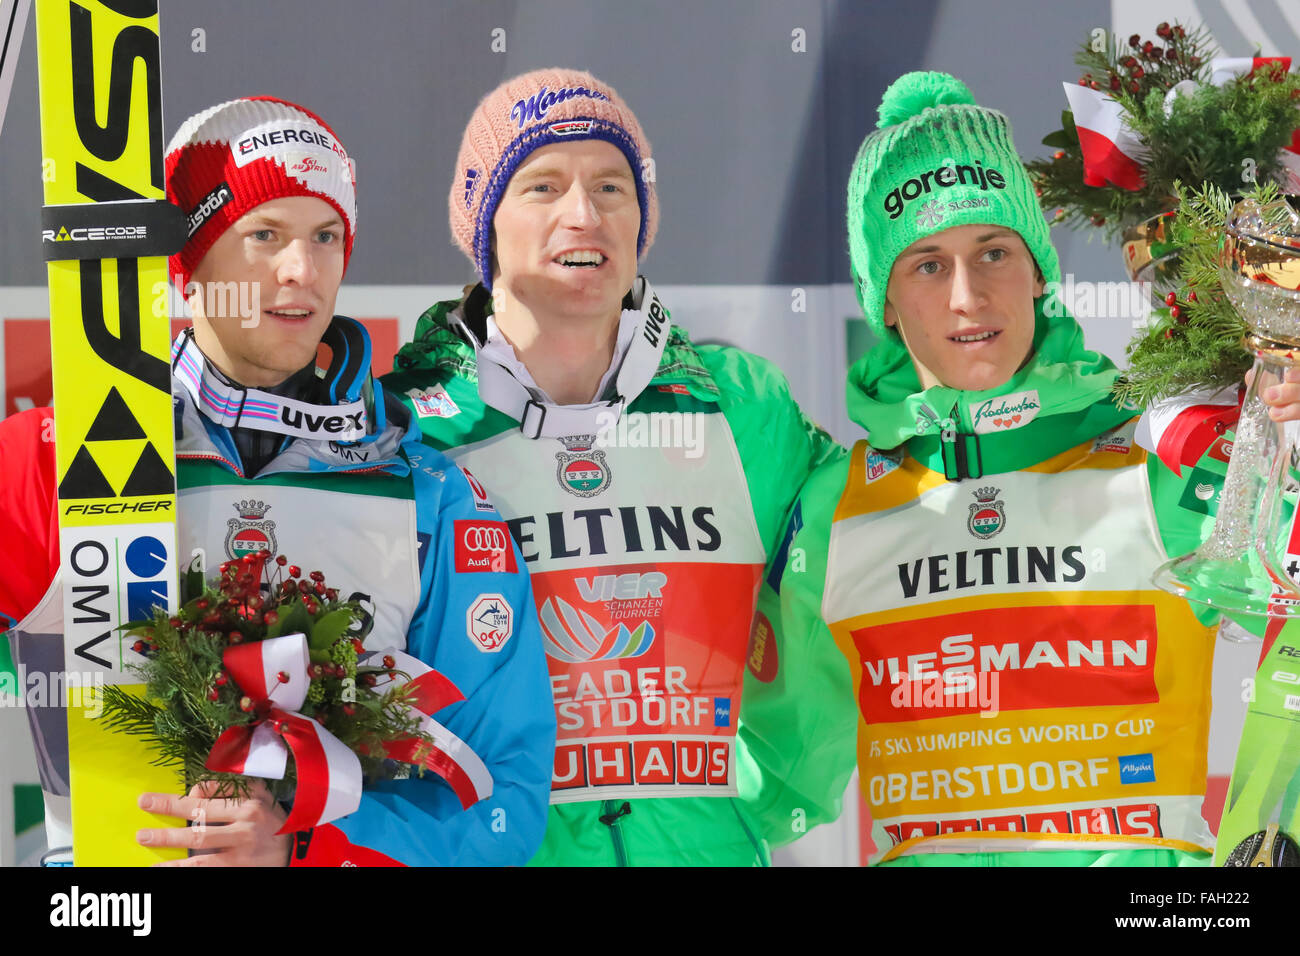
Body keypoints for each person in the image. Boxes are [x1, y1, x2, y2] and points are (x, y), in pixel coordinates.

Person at [0, 96, 555, 866]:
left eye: (326, 236)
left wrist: (303, 846)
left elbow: (504, 805)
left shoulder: (427, 495)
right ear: (187, 263)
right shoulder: (54, 462)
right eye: (265, 235)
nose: (302, 271)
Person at [758, 71, 1291, 866]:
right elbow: (769, 786)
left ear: (1040, 270)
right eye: (927, 266)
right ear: (886, 303)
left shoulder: (1156, 456)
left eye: (994, 252)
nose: (969, 297)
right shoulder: (836, 508)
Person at [383, 68, 846, 865]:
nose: (583, 214)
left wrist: (769, 795)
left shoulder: (740, 410)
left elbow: (867, 551)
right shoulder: (404, 433)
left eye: (610, 185)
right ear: (485, 222)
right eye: (541, 186)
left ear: (643, 218)